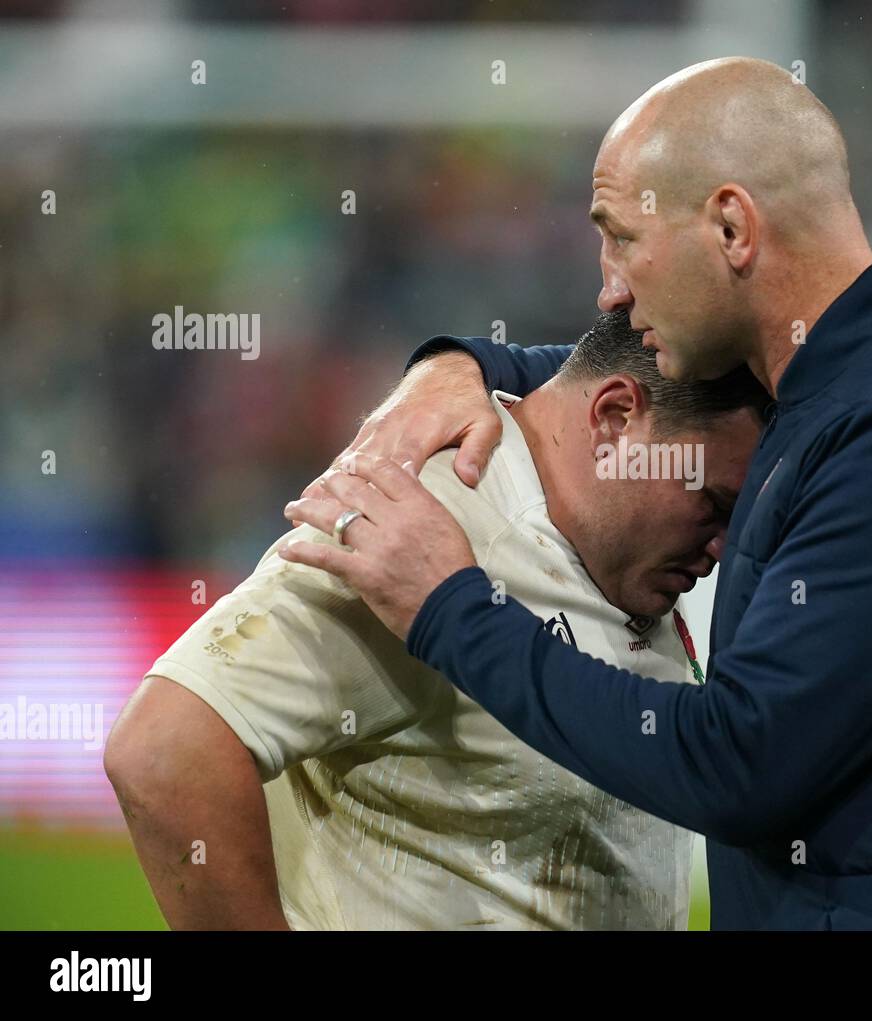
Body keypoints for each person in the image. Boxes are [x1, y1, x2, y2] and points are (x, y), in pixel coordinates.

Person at [286, 57, 872, 930]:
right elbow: (622, 383)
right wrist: (465, 364)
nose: (610, 285)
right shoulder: (870, 366)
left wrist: (451, 606)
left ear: (731, 228)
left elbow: (737, 764)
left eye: (622, 237)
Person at [104, 310, 766, 930]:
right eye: (712, 501)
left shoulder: (626, 541)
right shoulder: (424, 521)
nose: (724, 545)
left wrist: (455, 362)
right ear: (618, 418)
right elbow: (163, 750)